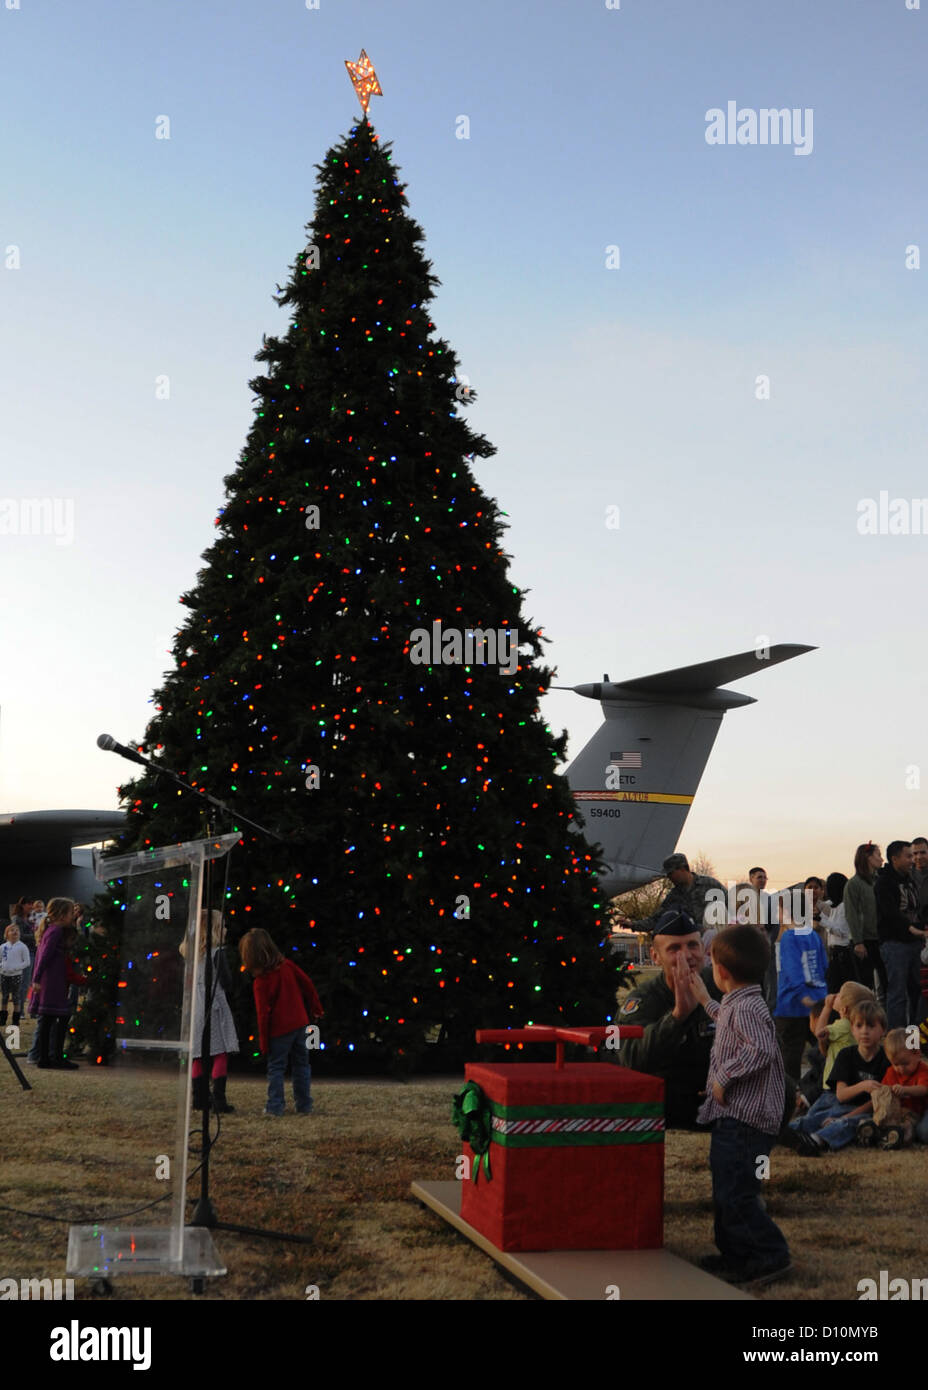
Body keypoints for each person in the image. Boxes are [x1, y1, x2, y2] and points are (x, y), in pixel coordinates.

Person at [690, 926, 791, 1287]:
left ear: (723, 972)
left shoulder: (747, 1006)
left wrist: (724, 1078)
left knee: (737, 1191)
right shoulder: (741, 1001)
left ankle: (769, 1255)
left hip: (745, 1121)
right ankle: (735, 1253)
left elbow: (760, 1049)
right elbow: (730, 1022)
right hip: (734, 1118)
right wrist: (705, 1001)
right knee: (725, 1185)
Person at [613, 909, 721, 1128]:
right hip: (670, 1099)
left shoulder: (721, 985)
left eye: (692, 945)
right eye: (674, 949)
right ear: (655, 956)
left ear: (703, 949)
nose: (687, 955)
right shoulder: (643, 1000)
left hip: (720, 1092)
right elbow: (630, 1059)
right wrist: (677, 1016)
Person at [239, 929, 323, 1117]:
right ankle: (304, 1105)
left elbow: (263, 1014)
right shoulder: (287, 966)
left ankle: (275, 1106)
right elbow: (308, 984)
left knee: (276, 1068)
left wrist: (263, 1041)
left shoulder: (261, 982)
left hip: (279, 1030)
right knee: (302, 1064)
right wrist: (316, 1007)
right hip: (301, 1023)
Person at [785, 1000, 888, 1155]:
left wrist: (846, 1116)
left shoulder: (886, 1060)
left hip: (865, 1111)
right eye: (859, 1026)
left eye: (871, 1026)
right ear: (852, 1029)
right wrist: (863, 1086)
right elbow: (841, 1094)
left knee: (848, 1124)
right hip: (840, 1103)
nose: (864, 1031)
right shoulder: (846, 1054)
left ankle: (816, 1141)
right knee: (815, 1118)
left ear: (883, 1031)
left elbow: (875, 1103)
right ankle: (779, 1135)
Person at [181, 909, 239, 1114]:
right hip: (214, 1005)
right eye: (222, 925)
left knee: (198, 1053)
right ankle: (219, 1099)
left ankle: (199, 1098)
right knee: (220, 1052)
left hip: (195, 1006)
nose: (226, 929)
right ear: (214, 929)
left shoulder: (191, 954)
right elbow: (226, 981)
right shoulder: (217, 953)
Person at [773, 894, 828, 1084]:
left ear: (786, 911)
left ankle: (791, 1093)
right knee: (824, 1048)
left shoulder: (789, 936)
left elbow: (791, 968)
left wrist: (801, 993)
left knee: (790, 1055)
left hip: (792, 1003)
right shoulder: (812, 934)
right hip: (818, 998)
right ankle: (824, 1084)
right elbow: (824, 964)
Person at [874, 840, 925, 1028]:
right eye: (908, 856)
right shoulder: (884, 882)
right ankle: (897, 1037)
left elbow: (916, 909)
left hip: (914, 942)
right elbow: (890, 913)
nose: (912, 860)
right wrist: (910, 928)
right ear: (895, 859)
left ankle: (915, 1035)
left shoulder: (909, 880)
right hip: (895, 943)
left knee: (917, 991)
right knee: (897, 993)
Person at [615, 853, 725, 936]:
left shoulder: (710, 885)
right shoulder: (673, 897)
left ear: (682, 869)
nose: (669, 877)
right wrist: (633, 925)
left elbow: (733, 905)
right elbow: (656, 920)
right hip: (694, 946)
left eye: (671, 873)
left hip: (717, 940)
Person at [855, 1027, 928, 1149]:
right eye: (896, 1064)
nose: (900, 1068)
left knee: (909, 1125)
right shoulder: (891, 1072)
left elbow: (923, 1089)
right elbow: (884, 1091)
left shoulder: (923, 1070)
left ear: (918, 1054)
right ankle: (871, 1132)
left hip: (914, 1113)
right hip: (893, 1111)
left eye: (905, 1063)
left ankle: (899, 1137)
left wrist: (905, 1090)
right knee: (881, 1118)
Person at [30, 898, 81, 1070]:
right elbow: (44, 956)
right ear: (61, 914)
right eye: (69, 912)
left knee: (49, 1019)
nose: (72, 915)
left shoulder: (52, 930)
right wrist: (36, 979)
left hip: (52, 979)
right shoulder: (56, 931)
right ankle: (54, 1056)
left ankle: (47, 1057)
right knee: (58, 1017)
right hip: (52, 981)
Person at [845, 843, 886, 1000]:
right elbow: (852, 914)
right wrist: (858, 942)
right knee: (865, 987)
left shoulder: (879, 881)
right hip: (864, 941)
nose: (881, 859)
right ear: (868, 858)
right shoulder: (854, 884)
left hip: (881, 938)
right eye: (878, 855)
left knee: (886, 982)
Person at [820, 872, 856, 992]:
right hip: (834, 954)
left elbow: (841, 931)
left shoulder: (844, 906)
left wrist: (822, 920)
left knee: (838, 990)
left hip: (843, 954)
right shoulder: (832, 905)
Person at [0, 923, 31, 1027]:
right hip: (4, 974)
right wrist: (2, 966)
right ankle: (3, 1018)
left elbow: (27, 962)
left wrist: (16, 967)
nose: (15, 932)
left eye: (17, 930)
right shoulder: (3, 947)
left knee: (16, 997)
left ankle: (15, 1019)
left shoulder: (22, 947)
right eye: (12, 930)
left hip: (16, 975)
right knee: (4, 996)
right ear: (6, 934)